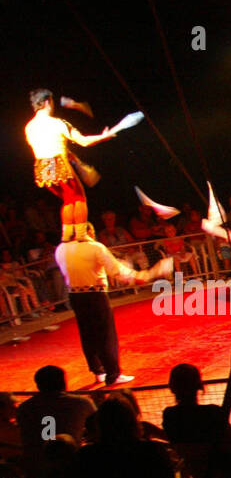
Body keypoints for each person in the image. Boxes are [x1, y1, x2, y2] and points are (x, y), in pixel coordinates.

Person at [54, 226, 173, 386]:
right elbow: (118, 272)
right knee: (105, 334)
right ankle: (113, 374)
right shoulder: (94, 247)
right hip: (95, 293)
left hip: (75, 296)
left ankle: (98, 371)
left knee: (87, 333)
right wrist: (146, 274)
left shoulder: (61, 249)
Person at [24, 89, 118, 242]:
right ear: (47, 102)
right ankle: (81, 235)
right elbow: (83, 141)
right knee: (79, 198)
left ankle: (66, 235)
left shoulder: (29, 127)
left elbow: (43, 146)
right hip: (58, 163)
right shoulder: (58, 123)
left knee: (68, 200)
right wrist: (103, 136)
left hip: (41, 168)